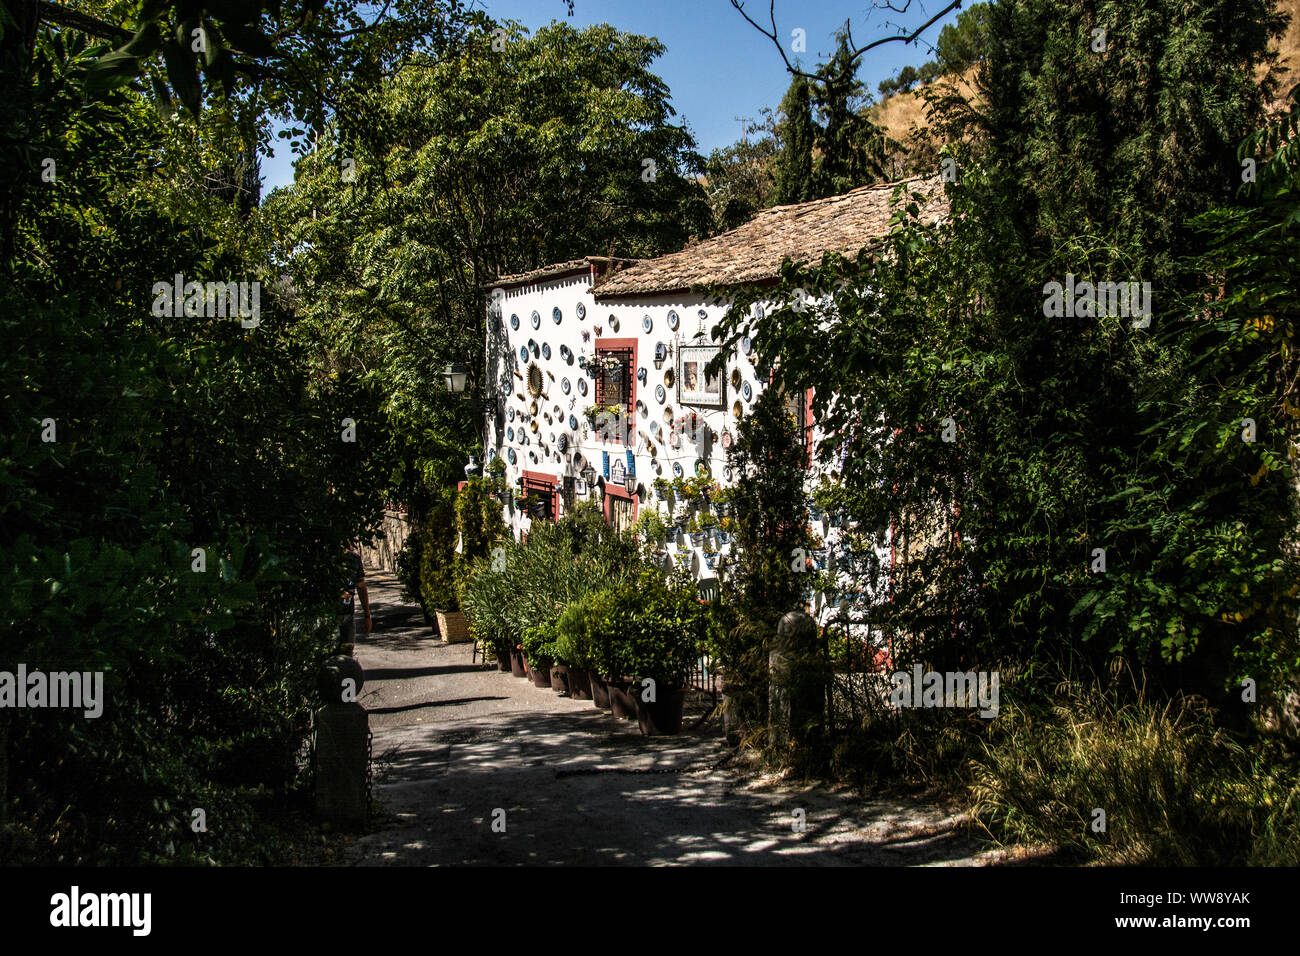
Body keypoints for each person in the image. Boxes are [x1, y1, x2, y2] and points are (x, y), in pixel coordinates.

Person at [340, 547, 371, 649]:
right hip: (329, 616)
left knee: (347, 652)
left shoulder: (354, 559)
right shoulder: (324, 557)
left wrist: (367, 616)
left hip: (348, 615)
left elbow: (361, 587)